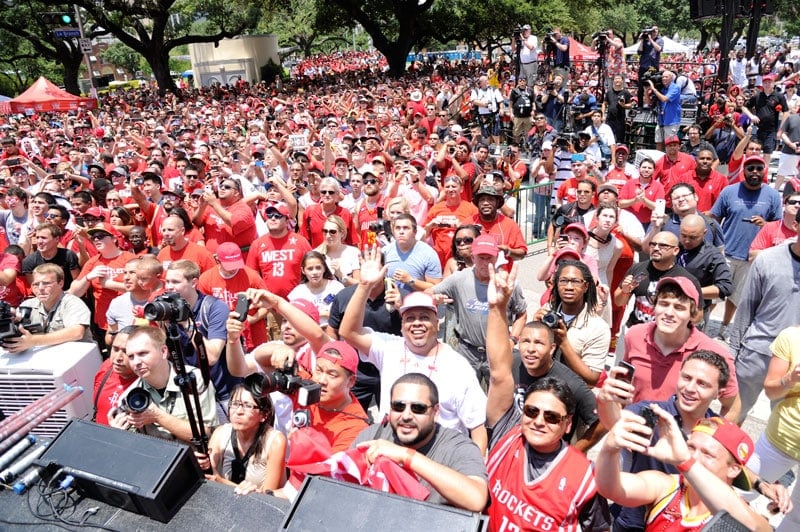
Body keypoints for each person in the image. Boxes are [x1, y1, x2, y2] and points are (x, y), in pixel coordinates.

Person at [485, 264, 610, 530]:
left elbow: (602, 420)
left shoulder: (581, 476)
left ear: (567, 423)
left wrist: (578, 449)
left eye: (552, 416)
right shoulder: (507, 438)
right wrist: (497, 308)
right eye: (530, 411)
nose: (539, 420)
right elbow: (497, 372)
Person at [340, 247, 488, 452]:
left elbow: (478, 427)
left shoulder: (457, 365)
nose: (417, 323)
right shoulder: (389, 348)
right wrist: (365, 285)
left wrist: (474, 467)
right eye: (410, 318)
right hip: (391, 448)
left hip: (438, 456)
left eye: (424, 317)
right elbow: (348, 332)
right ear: (401, 325)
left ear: (437, 323)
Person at [596, 409, 770, 531]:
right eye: (691, 447)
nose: (694, 457)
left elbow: (753, 527)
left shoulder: (741, 510)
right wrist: (609, 450)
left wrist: (686, 462)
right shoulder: (668, 486)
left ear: (733, 470)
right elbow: (611, 488)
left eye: (707, 454)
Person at [353, 373, 488, 511]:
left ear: (435, 412)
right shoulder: (373, 436)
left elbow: (476, 500)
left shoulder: (457, 447)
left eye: (418, 408)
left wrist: (406, 456)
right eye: (398, 406)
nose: (406, 416)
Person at [621, 276, 740, 421]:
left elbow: (732, 406)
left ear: (692, 314)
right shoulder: (635, 335)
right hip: (634, 426)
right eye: (664, 304)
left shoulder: (715, 355)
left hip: (680, 433)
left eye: (679, 307)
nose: (669, 313)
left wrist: (709, 433)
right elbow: (624, 383)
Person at [730, 211, 800, 423]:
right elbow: (746, 308)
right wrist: (733, 353)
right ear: (795, 226)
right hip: (756, 353)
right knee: (734, 416)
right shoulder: (767, 260)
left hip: (794, 362)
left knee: (786, 424)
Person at [432, 235, 527, 383]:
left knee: (499, 392)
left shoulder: (507, 284)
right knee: (462, 391)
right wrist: (433, 301)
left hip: (498, 351)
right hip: (467, 351)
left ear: (497, 258)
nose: (485, 263)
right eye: (481, 258)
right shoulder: (459, 279)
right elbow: (429, 293)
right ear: (473, 257)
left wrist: (513, 340)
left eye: (489, 258)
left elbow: (522, 314)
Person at [711, 155, 782, 341]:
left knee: (736, 298)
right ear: (744, 171)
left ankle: (724, 328)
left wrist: (765, 224)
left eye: (759, 168)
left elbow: (778, 226)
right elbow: (714, 219)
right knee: (716, 293)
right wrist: (713, 247)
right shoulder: (729, 191)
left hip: (752, 258)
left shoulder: (773, 195)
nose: (755, 172)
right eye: (750, 168)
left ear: (764, 171)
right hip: (726, 252)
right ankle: (702, 323)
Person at [110, 326, 219, 442]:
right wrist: (120, 433)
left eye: (143, 353)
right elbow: (135, 445)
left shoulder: (193, 379)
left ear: (163, 351)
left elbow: (206, 433)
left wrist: (157, 417)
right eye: (131, 356)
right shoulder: (129, 397)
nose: (136, 362)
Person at [164, 260, 234, 419]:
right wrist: (164, 324)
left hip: (220, 394)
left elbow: (212, 357)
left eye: (175, 282)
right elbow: (166, 354)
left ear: (194, 282)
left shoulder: (214, 308)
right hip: (188, 392)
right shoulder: (168, 309)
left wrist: (186, 323)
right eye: (167, 281)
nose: (169, 287)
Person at [749, 326, 800, 530]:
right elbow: (770, 391)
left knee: (796, 518)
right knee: (740, 488)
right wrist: (790, 379)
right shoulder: (791, 337)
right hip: (783, 435)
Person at [206, 382, 287, 496]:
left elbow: (268, 495)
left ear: (264, 415)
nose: (238, 411)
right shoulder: (221, 432)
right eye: (235, 404)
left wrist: (221, 482)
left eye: (248, 406)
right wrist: (201, 463)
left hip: (260, 505)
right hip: (224, 499)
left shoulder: (275, 441)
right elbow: (209, 474)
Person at [614, 231, 701, 328]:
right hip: (636, 328)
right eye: (653, 244)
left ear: (675, 250)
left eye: (662, 246)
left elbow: (697, 316)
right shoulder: (637, 269)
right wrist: (625, 291)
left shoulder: (686, 279)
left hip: (667, 334)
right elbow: (618, 302)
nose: (656, 248)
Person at [4, 263, 92, 353]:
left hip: (77, 355)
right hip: (44, 355)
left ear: (60, 283)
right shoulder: (28, 305)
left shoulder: (72, 303)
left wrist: (33, 341)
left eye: (46, 283)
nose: (40, 288)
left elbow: (76, 333)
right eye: (36, 284)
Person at [198, 242, 269, 351]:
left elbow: (267, 304)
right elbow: (201, 309)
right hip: (220, 333)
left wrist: (253, 319)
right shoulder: (206, 279)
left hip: (251, 335)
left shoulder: (251, 276)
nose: (233, 269)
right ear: (218, 260)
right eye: (229, 265)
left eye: (236, 264)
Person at [676, 214, 733, 326]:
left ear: (704, 233)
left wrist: (691, 292)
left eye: (693, 237)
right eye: (683, 235)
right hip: (670, 308)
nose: (687, 241)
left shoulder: (713, 256)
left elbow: (726, 287)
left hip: (694, 312)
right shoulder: (675, 248)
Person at [422, 176, 479, 268]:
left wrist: (461, 227)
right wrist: (430, 226)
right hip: (439, 256)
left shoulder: (471, 209)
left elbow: (479, 233)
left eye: (454, 186)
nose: (450, 189)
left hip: (463, 255)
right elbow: (423, 234)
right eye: (447, 187)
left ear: (461, 189)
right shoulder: (436, 208)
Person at [105, 255, 164, 343]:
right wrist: (120, 337)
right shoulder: (116, 303)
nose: (126, 277)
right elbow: (109, 337)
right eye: (125, 273)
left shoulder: (162, 300)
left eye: (132, 272)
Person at [192, 177, 257, 254]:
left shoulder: (244, 208)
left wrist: (214, 204)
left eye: (227, 187)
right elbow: (196, 222)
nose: (222, 188)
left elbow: (234, 222)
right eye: (221, 186)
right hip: (212, 258)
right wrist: (201, 207)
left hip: (235, 258)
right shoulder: (212, 204)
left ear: (236, 193)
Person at [384, 214, 442, 296]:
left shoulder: (428, 254)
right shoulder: (385, 252)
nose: (401, 232)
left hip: (417, 302)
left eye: (406, 228)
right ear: (393, 231)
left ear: (415, 232)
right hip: (390, 301)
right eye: (397, 228)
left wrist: (410, 281)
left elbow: (436, 288)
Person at [92, 326, 137, 426]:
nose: (118, 358)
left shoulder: (148, 383)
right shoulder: (106, 367)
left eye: (125, 352)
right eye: (115, 349)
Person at [287, 251, 344, 327]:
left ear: (324, 268)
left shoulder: (337, 287)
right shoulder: (297, 293)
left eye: (318, 268)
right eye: (310, 269)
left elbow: (345, 315)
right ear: (303, 270)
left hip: (333, 330)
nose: (314, 272)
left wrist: (324, 314)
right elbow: (293, 318)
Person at [741, 73, 787, 160]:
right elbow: (744, 107)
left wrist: (781, 129)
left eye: (769, 82)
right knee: (753, 149)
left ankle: (765, 169)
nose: (767, 84)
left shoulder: (779, 96)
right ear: (762, 84)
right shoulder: (757, 96)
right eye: (765, 82)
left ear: (773, 83)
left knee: (767, 152)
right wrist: (751, 116)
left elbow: (786, 112)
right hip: (756, 128)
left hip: (771, 130)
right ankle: (752, 166)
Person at [21, 223, 80, 290]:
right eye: (37, 237)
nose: (39, 241)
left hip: (68, 293)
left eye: (44, 238)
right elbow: (34, 287)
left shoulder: (68, 256)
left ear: (57, 239)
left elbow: (76, 282)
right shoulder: (29, 261)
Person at [750, 191, 800, 259]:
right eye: (792, 202)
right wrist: (781, 250)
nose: (797, 205)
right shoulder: (770, 227)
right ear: (784, 205)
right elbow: (752, 255)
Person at [646, 70, 681, 151]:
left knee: (670, 144)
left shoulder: (675, 87)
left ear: (671, 78)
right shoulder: (661, 88)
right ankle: (660, 158)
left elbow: (664, 99)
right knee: (659, 141)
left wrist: (653, 89)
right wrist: (645, 90)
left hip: (671, 121)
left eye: (666, 77)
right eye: (663, 77)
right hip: (661, 120)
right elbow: (649, 103)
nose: (664, 78)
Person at [636, 26, 663, 107]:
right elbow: (639, 51)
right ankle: (640, 106)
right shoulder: (645, 40)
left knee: (654, 85)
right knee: (641, 86)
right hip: (644, 65)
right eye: (653, 30)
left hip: (653, 66)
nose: (654, 31)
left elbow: (659, 49)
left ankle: (654, 105)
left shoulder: (660, 40)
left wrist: (651, 39)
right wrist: (642, 40)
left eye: (656, 30)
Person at [509, 77, 535, 147]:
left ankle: (527, 146)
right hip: (517, 116)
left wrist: (533, 110)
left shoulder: (530, 90)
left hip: (528, 116)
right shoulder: (514, 91)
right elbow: (511, 104)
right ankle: (516, 146)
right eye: (520, 81)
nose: (522, 82)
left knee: (528, 132)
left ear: (526, 82)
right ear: (518, 82)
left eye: (523, 81)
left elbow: (533, 102)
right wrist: (511, 113)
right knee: (516, 132)